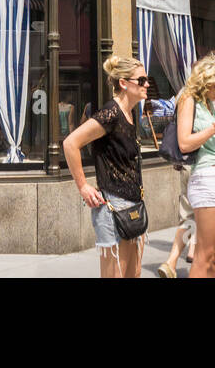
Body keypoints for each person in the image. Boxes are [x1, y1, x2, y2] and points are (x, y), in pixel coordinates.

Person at [62, 54, 150, 278]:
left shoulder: (129, 115)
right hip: (113, 205)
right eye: (141, 80)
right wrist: (83, 186)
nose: (147, 84)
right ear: (124, 83)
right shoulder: (111, 114)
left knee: (134, 273)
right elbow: (71, 143)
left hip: (132, 203)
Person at [176, 54, 215, 278]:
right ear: (203, 80)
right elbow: (184, 143)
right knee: (204, 254)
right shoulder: (188, 98)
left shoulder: (211, 103)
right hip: (206, 176)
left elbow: (213, 138)